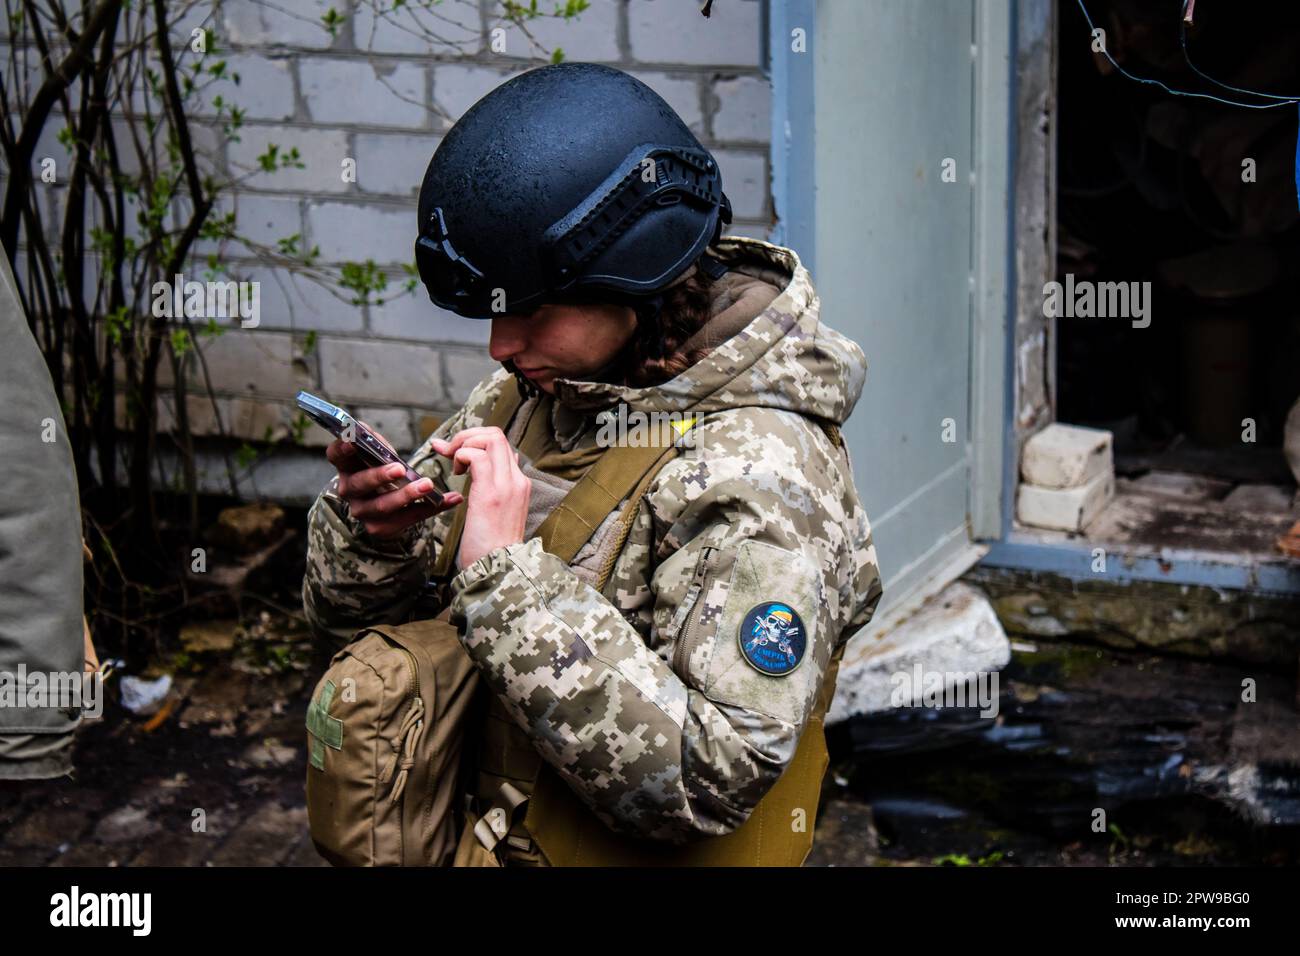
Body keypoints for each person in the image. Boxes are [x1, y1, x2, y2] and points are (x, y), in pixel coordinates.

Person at [303, 62, 883, 865]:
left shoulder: (763, 473)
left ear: (637, 279)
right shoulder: (538, 395)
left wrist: (505, 578)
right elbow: (347, 624)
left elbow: (713, 774)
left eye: (532, 314)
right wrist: (377, 535)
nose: (501, 348)